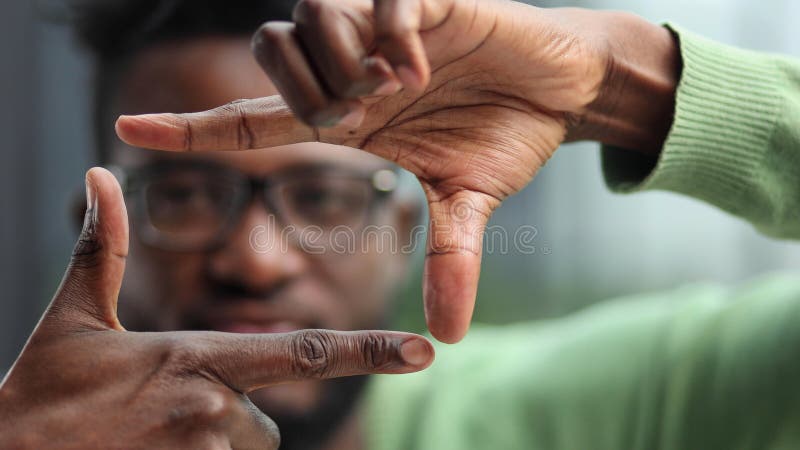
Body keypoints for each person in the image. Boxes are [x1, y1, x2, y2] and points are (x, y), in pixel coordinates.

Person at [3, 0, 800, 448]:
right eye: (183, 196)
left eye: (320, 197)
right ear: (95, 225)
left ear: (403, 226)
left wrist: (629, 85)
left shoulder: (614, 407)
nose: (254, 262)